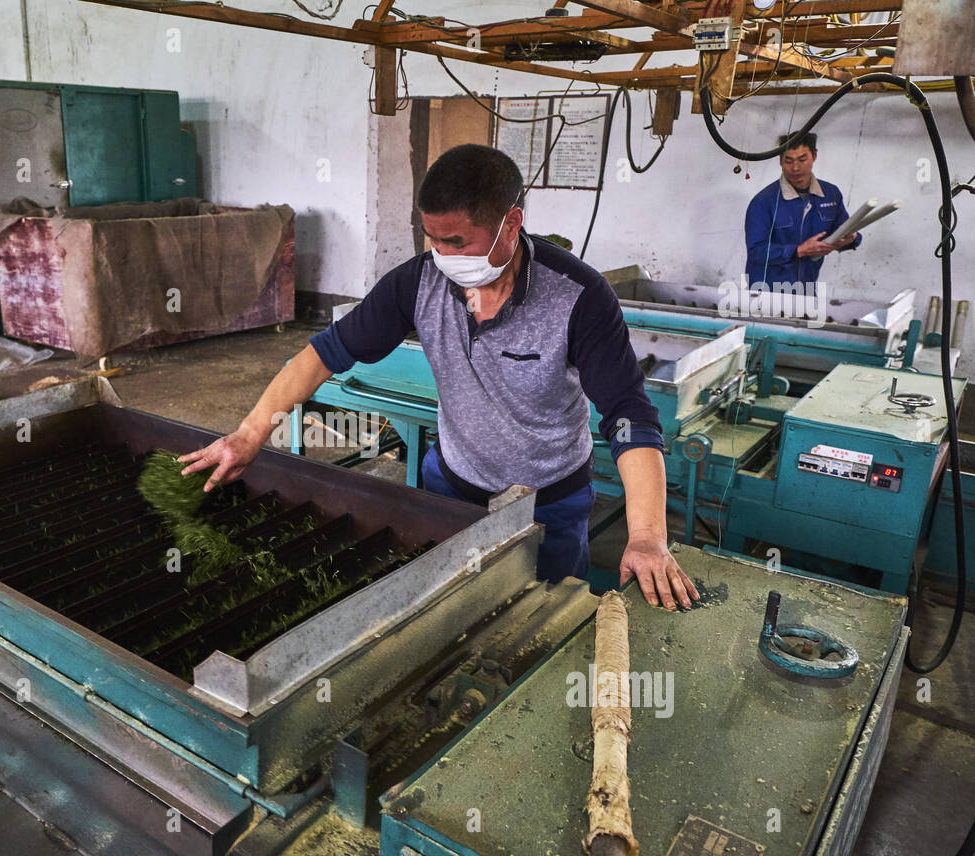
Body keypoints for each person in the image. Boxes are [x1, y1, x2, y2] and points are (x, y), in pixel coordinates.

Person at [180, 144, 698, 610]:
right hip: (449, 488)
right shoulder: (417, 282)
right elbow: (324, 354)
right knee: (446, 615)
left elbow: (629, 414)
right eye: (432, 240)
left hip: (550, 502)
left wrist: (648, 535)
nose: (443, 257)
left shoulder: (577, 297)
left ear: (511, 224)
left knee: (541, 619)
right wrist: (249, 435)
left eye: (457, 241)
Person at [744, 131, 861, 286]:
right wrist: (799, 250)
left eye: (802, 159)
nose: (795, 168)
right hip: (767, 290)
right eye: (788, 160)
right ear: (780, 161)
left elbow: (844, 229)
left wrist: (851, 239)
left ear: (814, 156)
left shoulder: (830, 194)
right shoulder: (764, 201)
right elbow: (756, 252)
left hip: (806, 287)